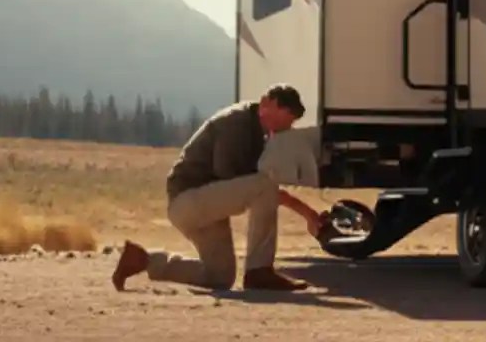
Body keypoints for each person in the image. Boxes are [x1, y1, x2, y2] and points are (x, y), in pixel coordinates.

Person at [111, 84, 327, 292]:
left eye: (287, 126)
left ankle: (143, 260)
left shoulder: (260, 133)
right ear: (265, 103)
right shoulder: (236, 123)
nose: (283, 130)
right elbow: (241, 181)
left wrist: (308, 215)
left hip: (205, 206)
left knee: (219, 276)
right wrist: (305, 212)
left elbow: (255, 190)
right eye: (281, 123)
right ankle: (259, 270)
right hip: (188, 201)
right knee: (264, 183)